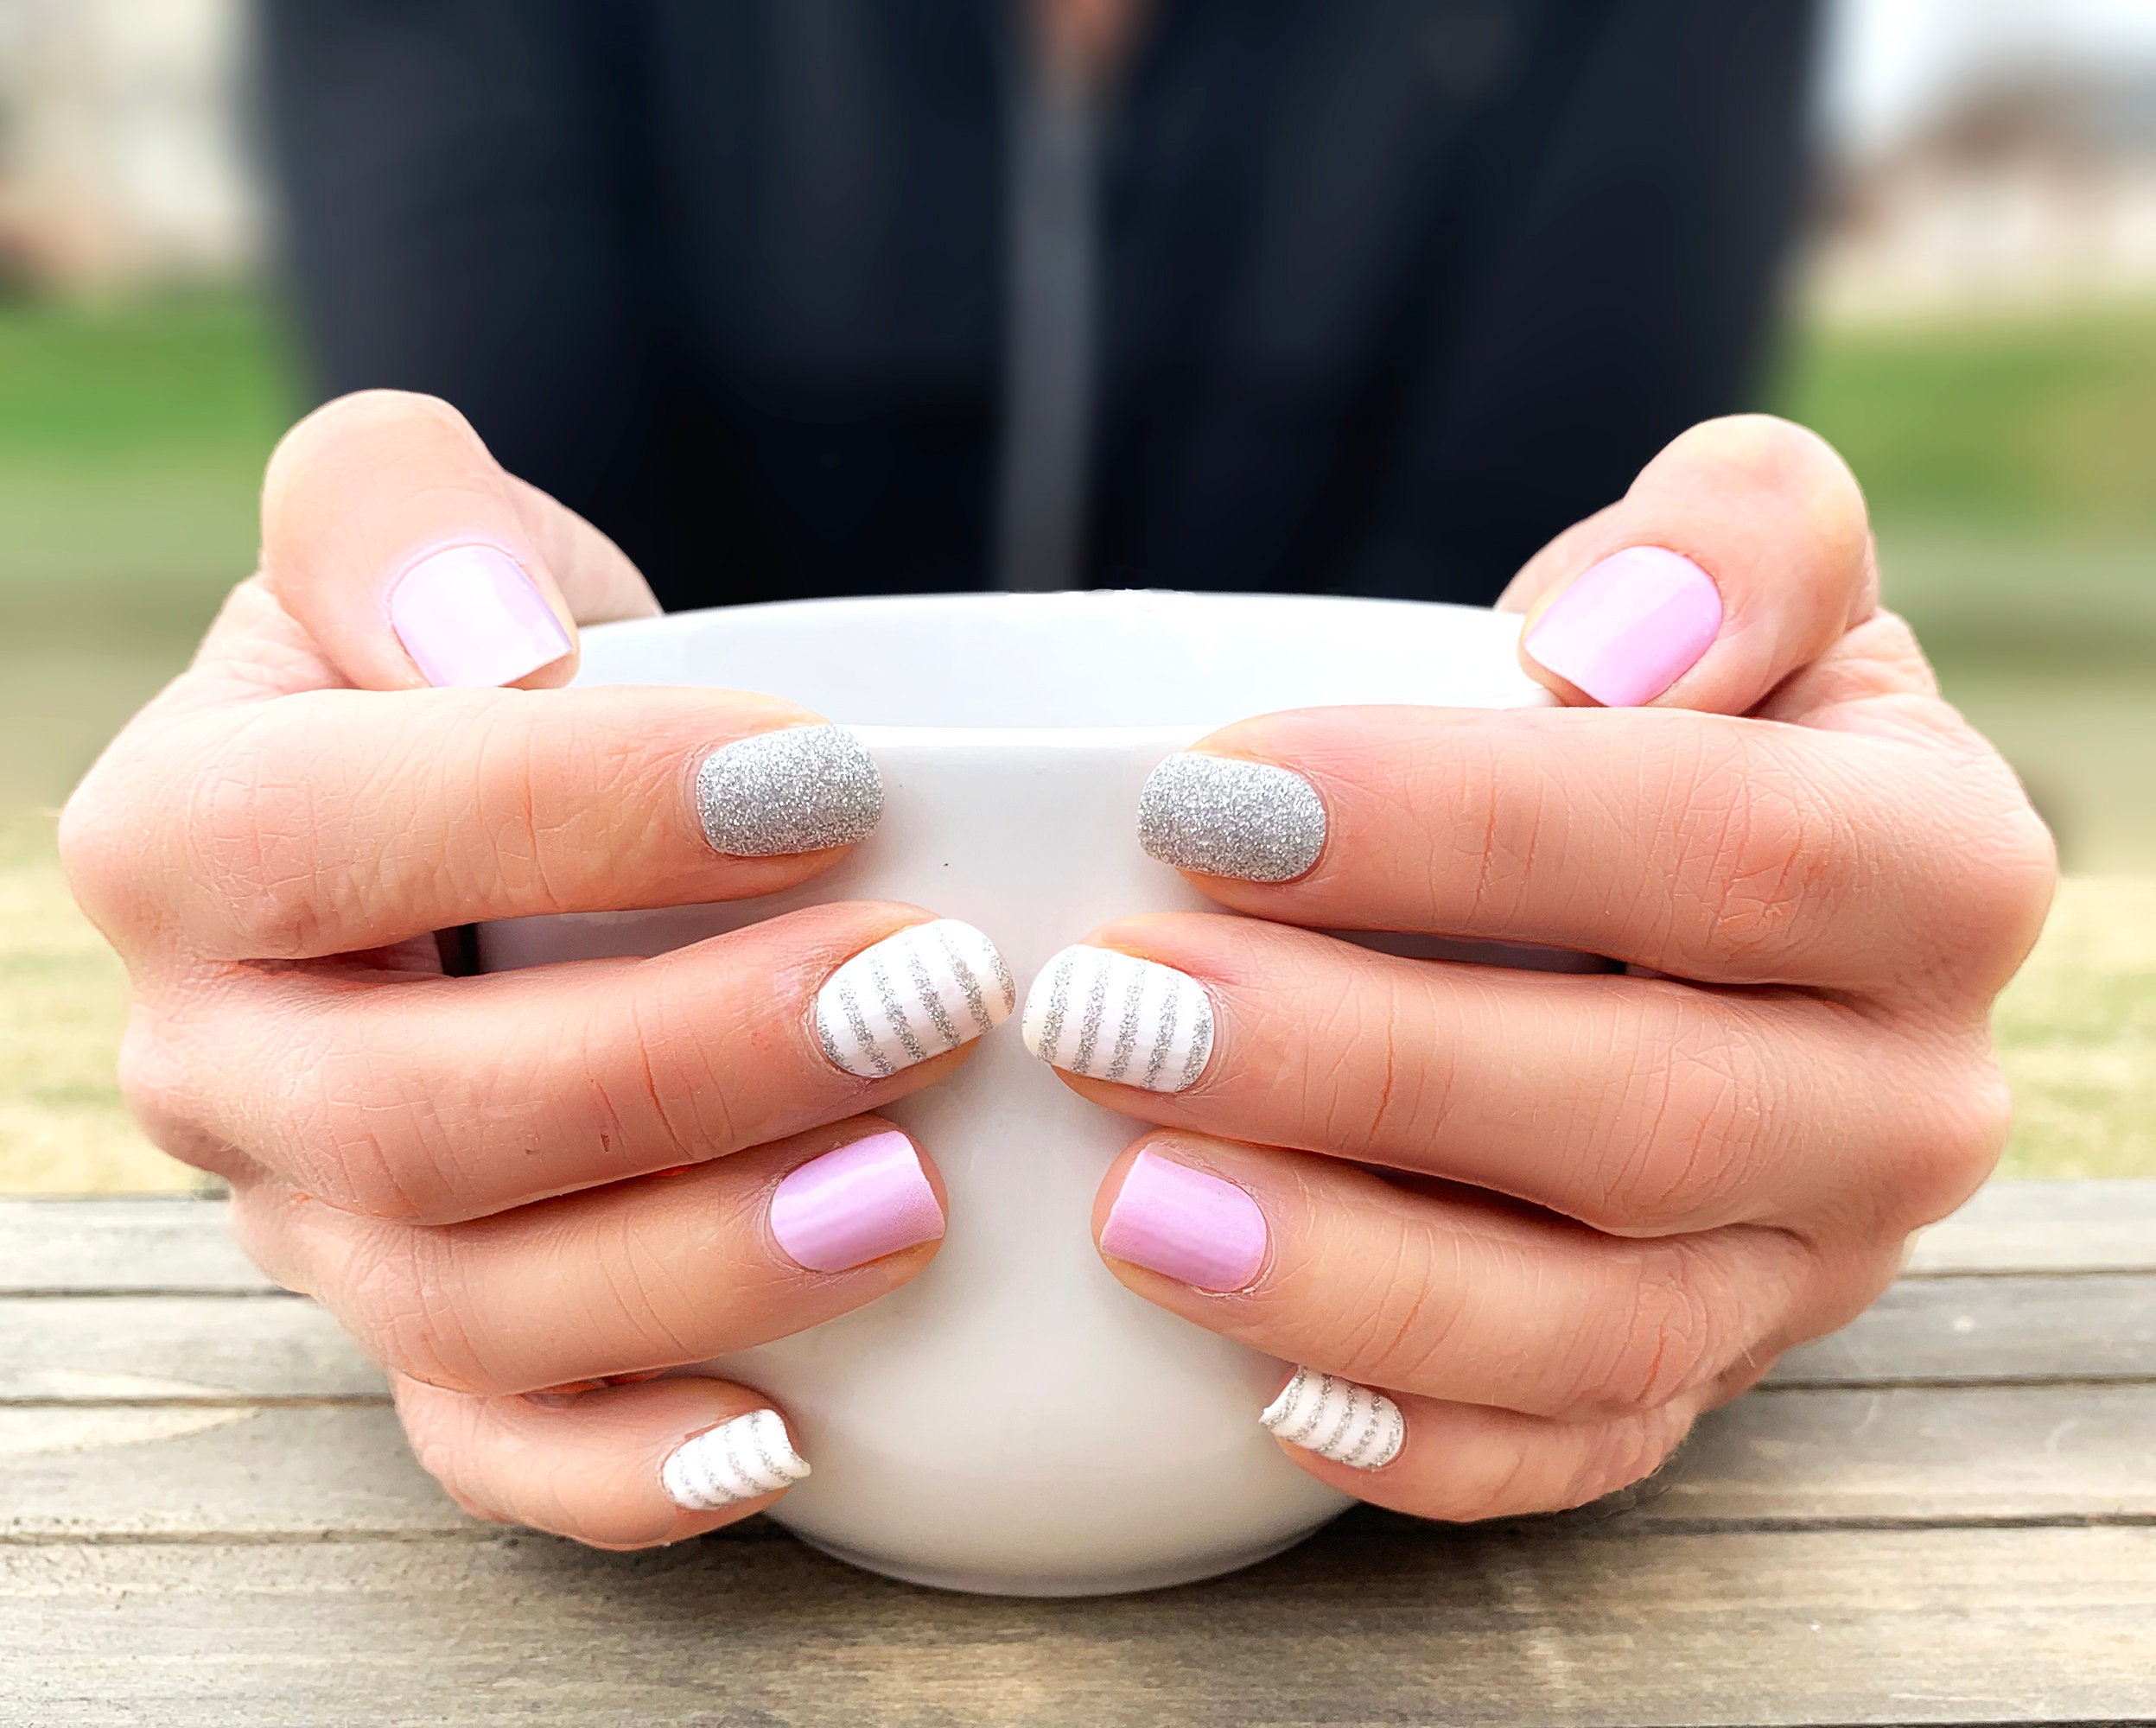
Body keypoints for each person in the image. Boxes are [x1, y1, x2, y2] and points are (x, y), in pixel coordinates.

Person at [59, 0, 2052, 1546]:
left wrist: (1758, 917)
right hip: (687, 1298)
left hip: (1401, 1385)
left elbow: (1556, 687)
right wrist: (341, 886)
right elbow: (500, 628)